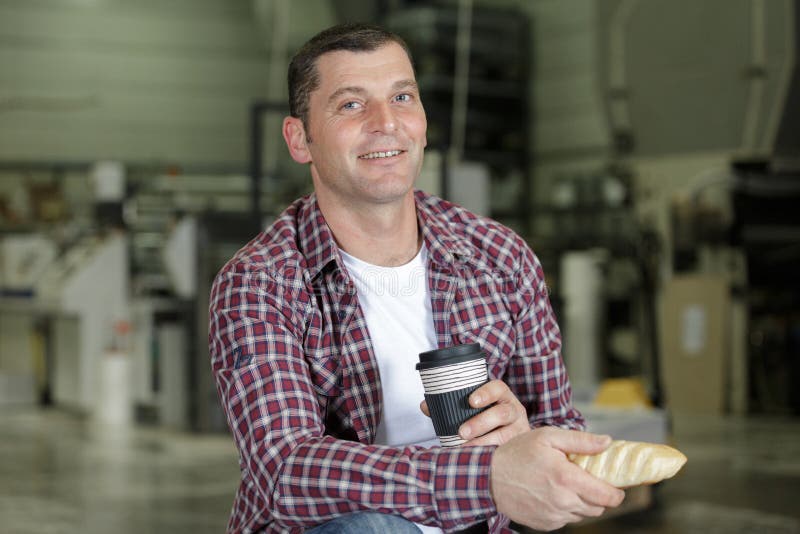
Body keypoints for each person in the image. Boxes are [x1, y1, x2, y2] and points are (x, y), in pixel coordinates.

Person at [208, 23, 625, 534]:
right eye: (351, 105)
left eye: (402, 97)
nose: (387, 123)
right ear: (300, 139)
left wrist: (524, 436)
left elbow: (562, 432)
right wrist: (486, 476)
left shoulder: (499, 256)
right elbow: (285, 471)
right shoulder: (259, 283)